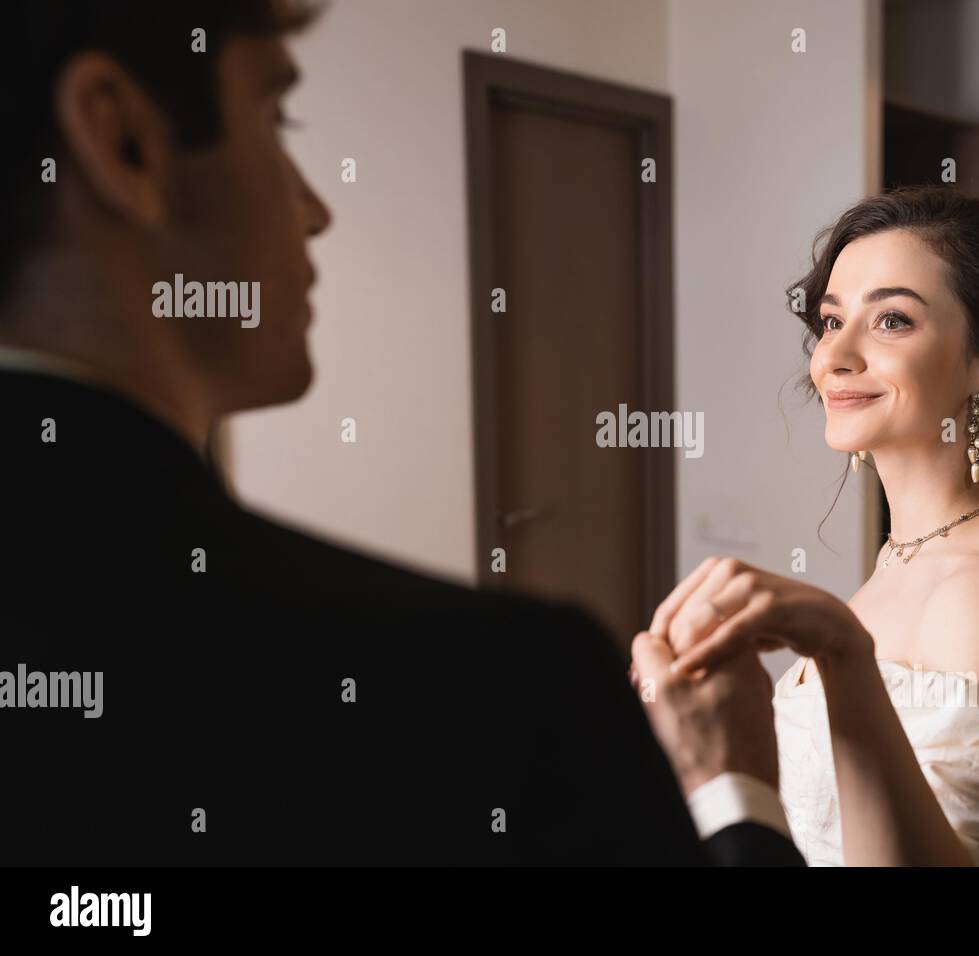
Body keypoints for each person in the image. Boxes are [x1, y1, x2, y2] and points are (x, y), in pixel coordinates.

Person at [0, 0, 801, 866]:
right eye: (276, 117)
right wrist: (734, 788)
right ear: (122, 140)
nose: (315, 211)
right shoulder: (496, 695)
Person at [656, 187, 979, 866]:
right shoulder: (908, 555)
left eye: (892, 320)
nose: (833, 357)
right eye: (832, 320)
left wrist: (842, 656)